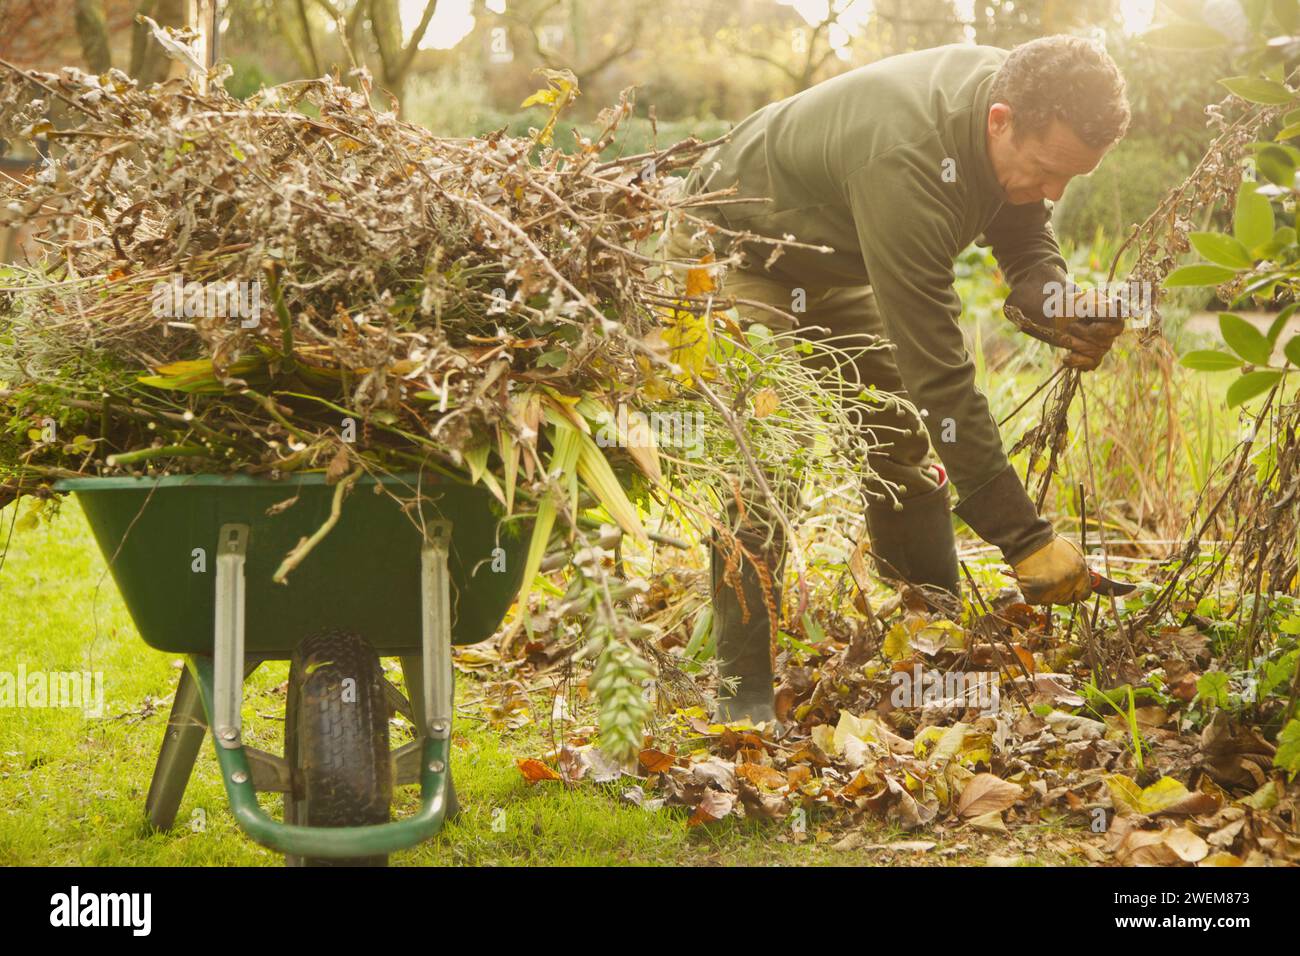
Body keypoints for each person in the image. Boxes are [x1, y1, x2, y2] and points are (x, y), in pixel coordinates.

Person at [667, 36, 1131, 723]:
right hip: (732, 248)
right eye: (1045, 171)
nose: (1055, 193)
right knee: (765, 453)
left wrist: (1061, 306)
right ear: (1000, 121)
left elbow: (1026, 239)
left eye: (1071, 178)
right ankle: (744, 701)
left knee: (897, 438)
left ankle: (933, 652)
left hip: (831, 258)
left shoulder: (1014, 104)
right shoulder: (910, 160)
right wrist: (1025, 539)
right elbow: (939, 376)